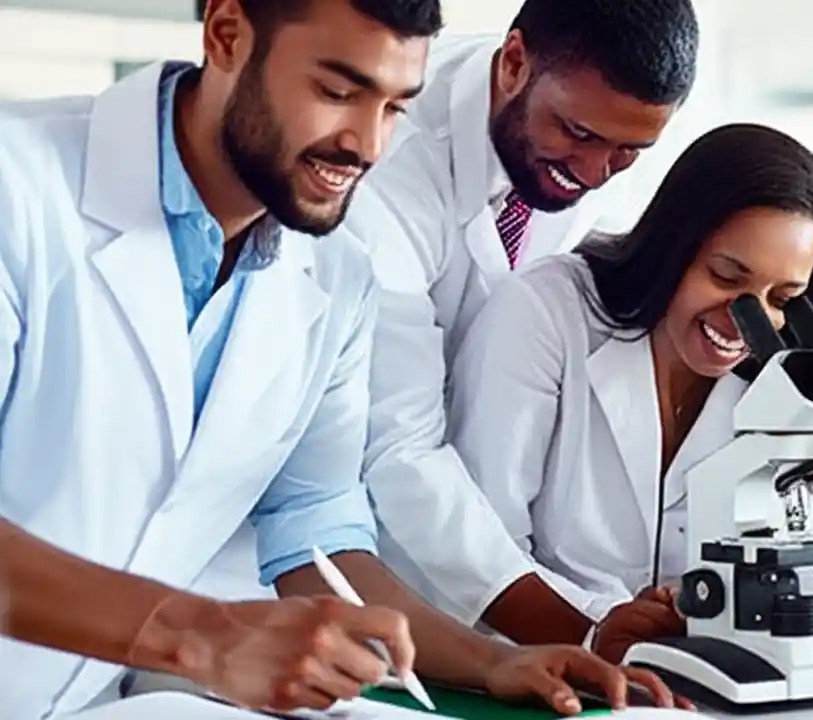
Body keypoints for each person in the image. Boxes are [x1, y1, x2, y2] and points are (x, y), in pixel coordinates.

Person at [0, 1, 674, 717]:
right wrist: (199, 634)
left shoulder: (338, 273)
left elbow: (315, 534)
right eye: (337, 91)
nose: (368, 144)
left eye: (394, 107)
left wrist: (494, 660)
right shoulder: (18, 189)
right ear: (226, 35)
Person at [445, 123, 813, 705]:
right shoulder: (545, 313)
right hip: (525, 668)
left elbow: (769, 549)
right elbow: (480, 537)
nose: (747, 318)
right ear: (673, 246)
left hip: (677, 687)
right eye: (727, 277)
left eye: (783, 300)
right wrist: (593, 627)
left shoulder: (774, 380)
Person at [344, 0, 701, 640]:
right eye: (579, 135)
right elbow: (396, 445)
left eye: (628, 153)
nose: (594, 173)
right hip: (350, 532)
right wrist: (579, 631)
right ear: (513, 64)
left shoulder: (592, 134)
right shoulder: (391, 163)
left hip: (477, 535)